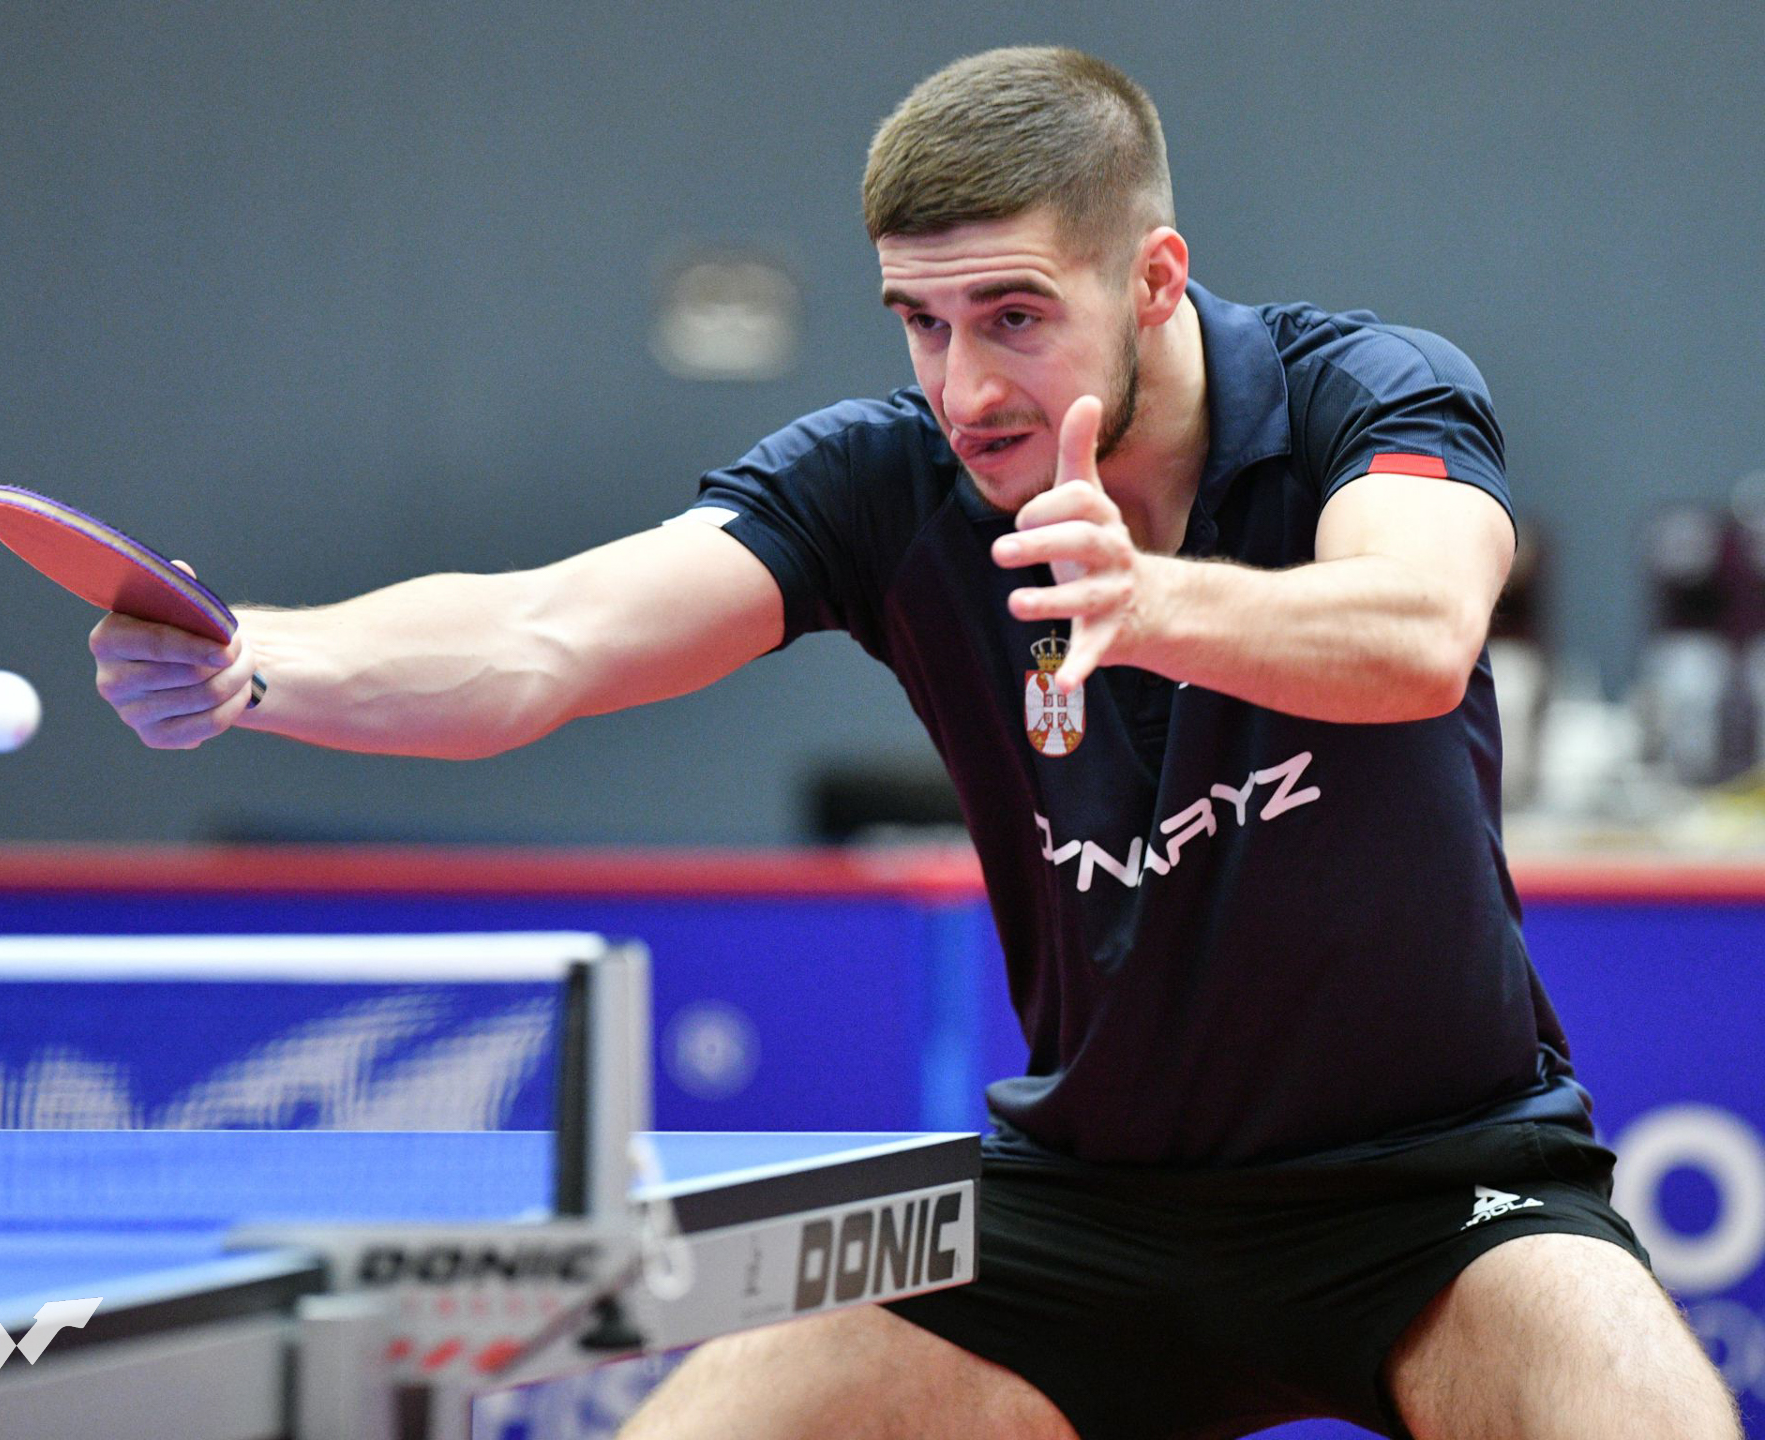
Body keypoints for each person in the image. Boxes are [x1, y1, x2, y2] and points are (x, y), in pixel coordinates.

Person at [92, 46, 1739, 1440]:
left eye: (1014, 314)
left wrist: (1147, 600)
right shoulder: (889, 484)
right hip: (1089, 1210)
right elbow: (548, 637)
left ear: (1153, 277)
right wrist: (261, 661)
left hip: (1437, 1194)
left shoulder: (1362, 398)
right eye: (919, 322)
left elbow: (1417, 633)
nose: (964, 386)